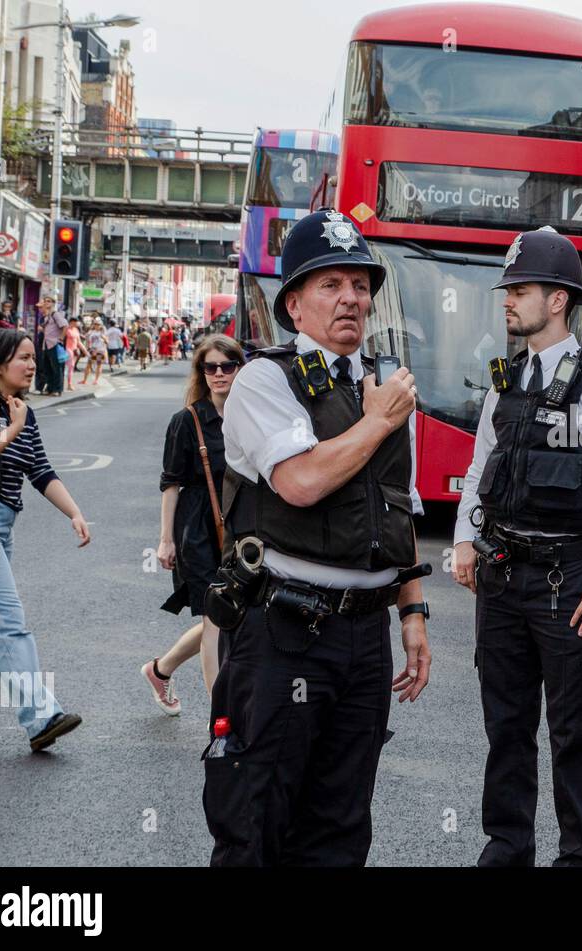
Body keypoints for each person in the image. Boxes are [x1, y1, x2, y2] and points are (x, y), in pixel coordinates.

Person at [205, 208, 431, 867]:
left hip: (365, 636)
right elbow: (301, 482)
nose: (352, 298)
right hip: (284, 631)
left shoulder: (380, 384)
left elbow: (396, 509)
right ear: (294, 306)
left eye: (360, 285)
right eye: (330, 284)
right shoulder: (263, 379)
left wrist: (412, 613)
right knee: (257, 816)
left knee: (340, 825)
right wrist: (379, 420)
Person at [452, 226, 582, 867]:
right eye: (509, 288)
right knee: (505, 723)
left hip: (569, 580)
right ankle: (507, 846)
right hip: (502, 578)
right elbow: (484, 464)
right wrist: (464, 540)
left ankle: (577, 855)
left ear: (558, 300)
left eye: (521, 289)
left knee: (575, 729)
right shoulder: (506, 380)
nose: (508, 299)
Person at [0, 329, 90, 750]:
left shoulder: (23, 412)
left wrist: (75, 513)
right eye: (24, 358)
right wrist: (9, 430)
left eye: (33, 357)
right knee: (7, 624)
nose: (33, 365)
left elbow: (41, 472)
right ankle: (40, 716)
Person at [141, 336, 245, 715]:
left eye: (227, 366)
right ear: (202, 373)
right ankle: (221, 715)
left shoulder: (250, 416)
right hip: (198, 531)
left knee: (235, 612)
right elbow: (171, 483)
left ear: (239, 368)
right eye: (210, 367)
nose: (219, 374)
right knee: (215, 618)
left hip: (242, 529)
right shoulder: (186, 421)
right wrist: (165, 540)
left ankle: (160, 669)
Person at [36, 297, 65, 395]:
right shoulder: (47, 316)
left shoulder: (55, 314)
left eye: (48, 301)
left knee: (56, 368)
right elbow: (49, 331)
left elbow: (65, 326)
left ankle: (57, 389)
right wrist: (42, 329)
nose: (46, 303)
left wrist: (61, 338)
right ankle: (50, 388)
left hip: (54, 344)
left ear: (53, 303)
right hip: (46, 344)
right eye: (45, 301)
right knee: (47, 368)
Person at [80, 319, 106, 387]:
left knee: (98, 365)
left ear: (101, 325)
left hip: (100, 350)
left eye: (98, 324)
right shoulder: (91, 331)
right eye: (95, 324)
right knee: (88, 365)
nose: (96, 325)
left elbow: (107, 342)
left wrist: (104, 339)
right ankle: (84, 380)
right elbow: (85, 337)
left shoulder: (102, 332)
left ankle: (96, 380)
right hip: (92, 350)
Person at [63, 316, 84, 391]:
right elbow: (62, 339)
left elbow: (79, 342)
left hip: (74, 349)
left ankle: (69, 383)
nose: (77, 323)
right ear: (72, 322)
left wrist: (85, 351)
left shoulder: (76, 330)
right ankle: (68, 384)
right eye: (76, 322)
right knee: (70, 366)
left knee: (71, 367)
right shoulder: (66, 329)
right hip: (67, 349)